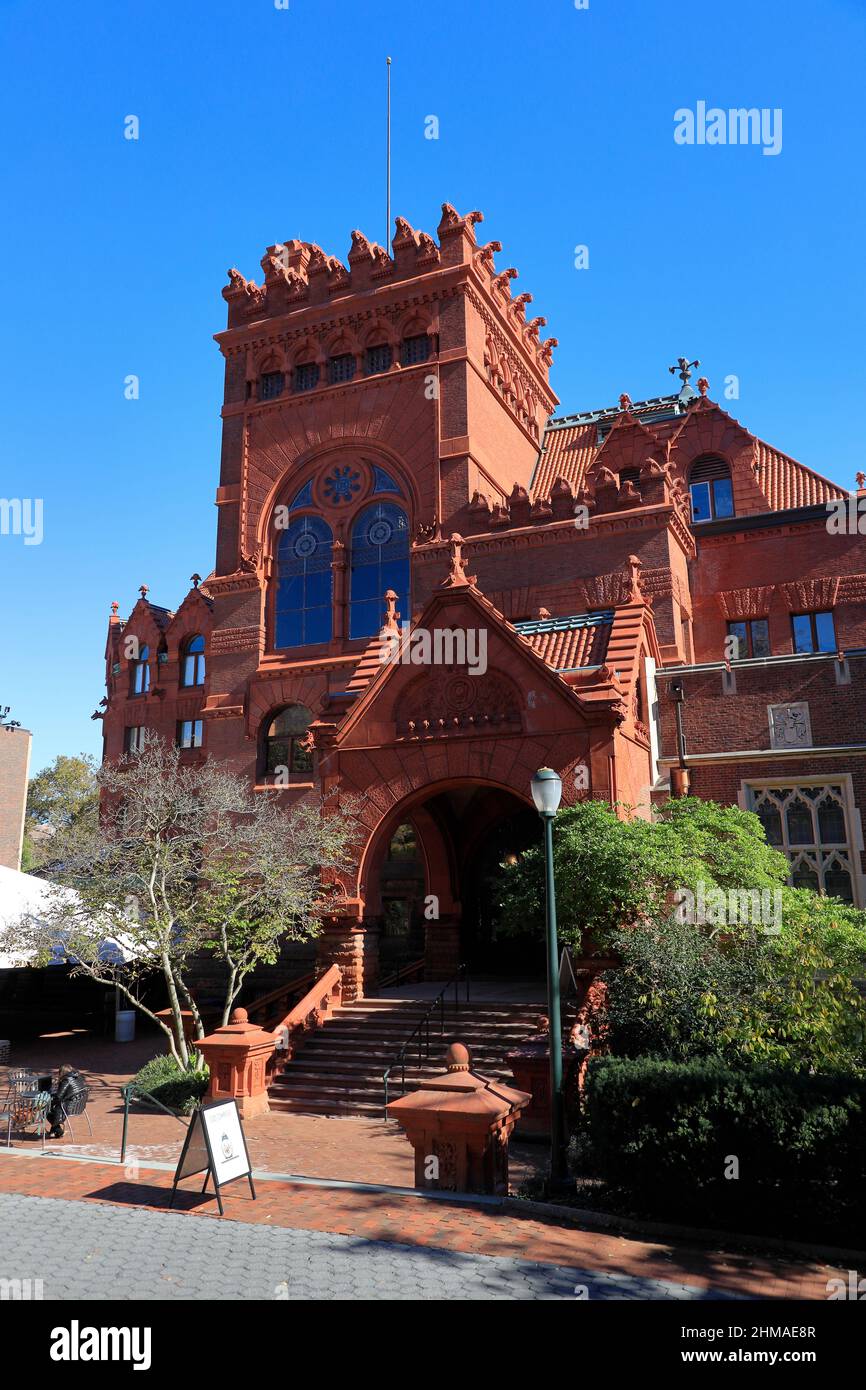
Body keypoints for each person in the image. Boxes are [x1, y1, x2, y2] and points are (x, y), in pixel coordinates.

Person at [47, 1066, 85, 1139]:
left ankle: (58, 1131)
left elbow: (59, 1096)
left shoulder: (66, 1080)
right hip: (79, 1105)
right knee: (51, 1107)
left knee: (45, 1109)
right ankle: (54, 1130)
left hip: (69, 1106)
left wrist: (49, 1098)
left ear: (62, 1073)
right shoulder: (78, 1077)